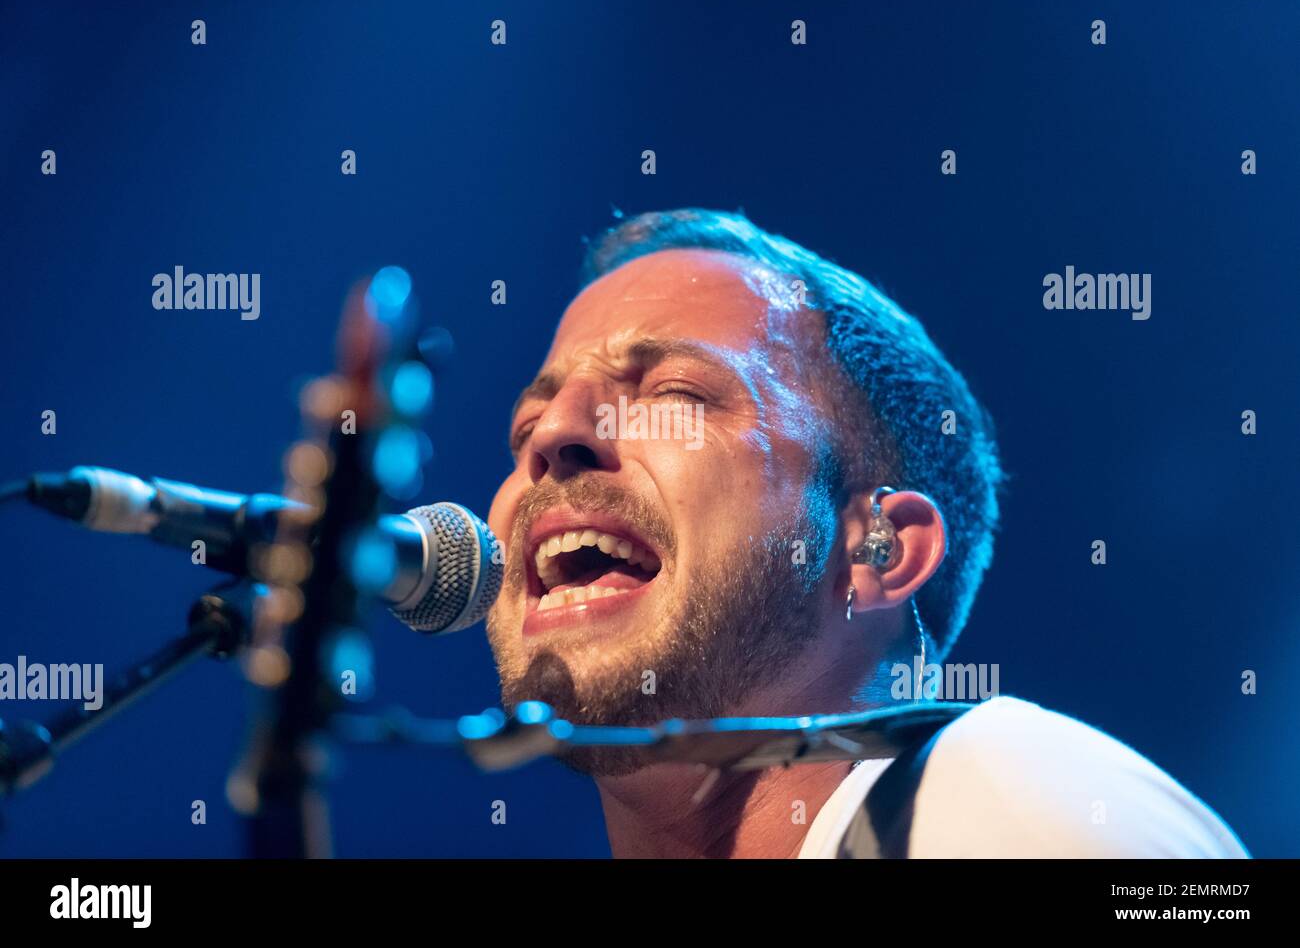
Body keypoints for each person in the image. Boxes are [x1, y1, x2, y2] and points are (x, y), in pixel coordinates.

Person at [484, 208, 1247, 859]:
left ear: (878, 548)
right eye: (524, 426)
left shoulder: (1008, 799)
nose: (553, 435)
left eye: (674, 394)